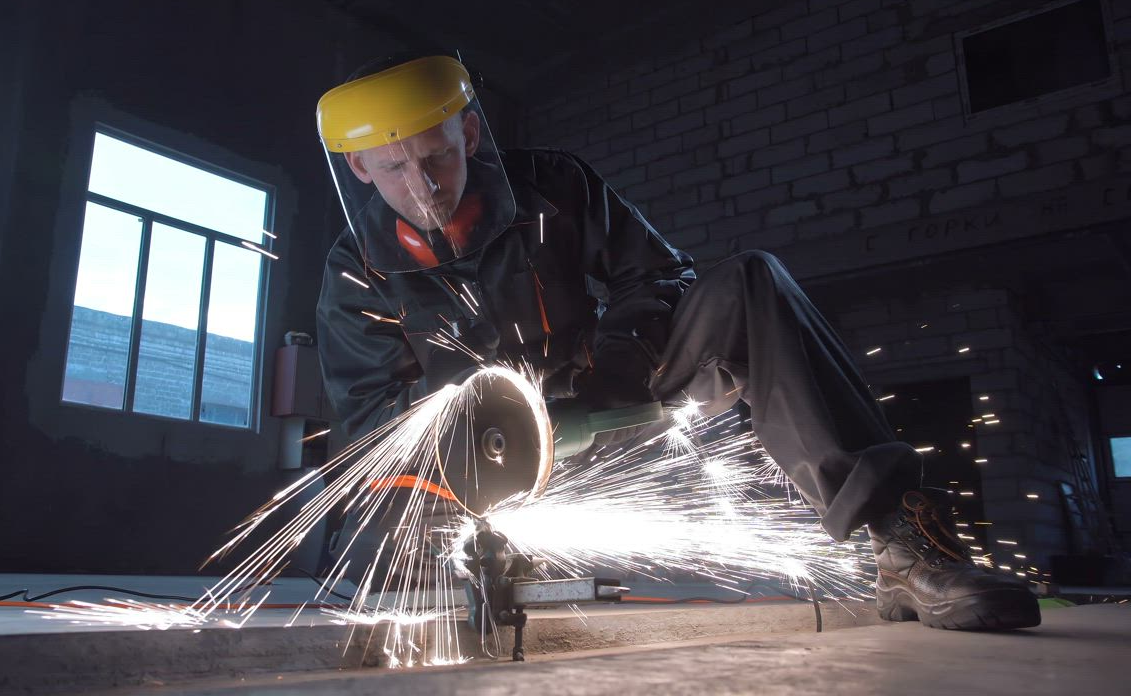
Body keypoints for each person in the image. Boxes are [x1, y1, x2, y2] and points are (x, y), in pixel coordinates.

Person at [314, 53, 1040, 630]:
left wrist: (614, 370)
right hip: (481, 474)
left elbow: (660, 275)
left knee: (751, 282)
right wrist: (486, 434)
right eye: (395, 168)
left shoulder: (552, 186)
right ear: (359, 168)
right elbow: (369, 422)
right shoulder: (354, 277)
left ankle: (904, 545)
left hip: (609, 405)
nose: (424, 186)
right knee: (397, 524)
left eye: (436, 157)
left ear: (469, 135)